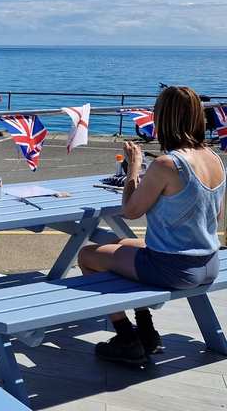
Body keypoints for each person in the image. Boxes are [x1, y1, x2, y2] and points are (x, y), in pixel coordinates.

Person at [78, 86, 225, 365]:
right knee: (121, 245)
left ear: (165, 118)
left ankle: (126, 337)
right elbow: (215, 216)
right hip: (209, 262)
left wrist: (133, 169)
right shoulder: (215, 158)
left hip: (172, 268)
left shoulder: (168, 164)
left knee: (88, 255)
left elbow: (130, 211)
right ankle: (146, 330)